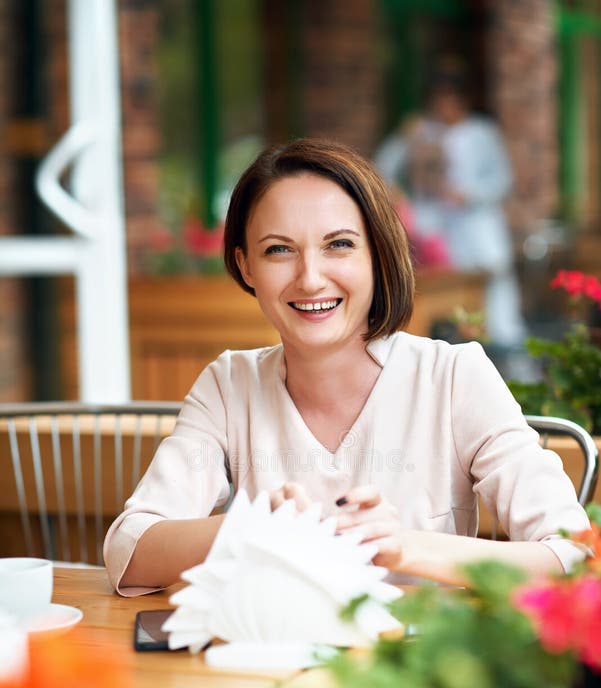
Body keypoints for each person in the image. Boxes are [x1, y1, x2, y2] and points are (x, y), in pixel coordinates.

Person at [104, 138, 589, 596]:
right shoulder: (230, 386)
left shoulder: (453, 377)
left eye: (339, 244)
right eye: (279, 250)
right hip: (270, 666)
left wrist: (404, 546)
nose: (310, 278)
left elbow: (572, 554)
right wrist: (247, 527)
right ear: (245, 265)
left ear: (377, 255)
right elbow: (129, 549)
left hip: (418, 672)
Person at [374, 75, 527, 348]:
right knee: (446, 298)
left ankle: (505, 352)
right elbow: (382, 167)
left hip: (478, 227)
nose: (443, 106)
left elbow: (501, 180)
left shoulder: (481, 132)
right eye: (438, 100)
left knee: (494, 295)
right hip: (437, 230)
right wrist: (402, 137)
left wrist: (468, 195)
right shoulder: (424, 131)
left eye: (449, 99)